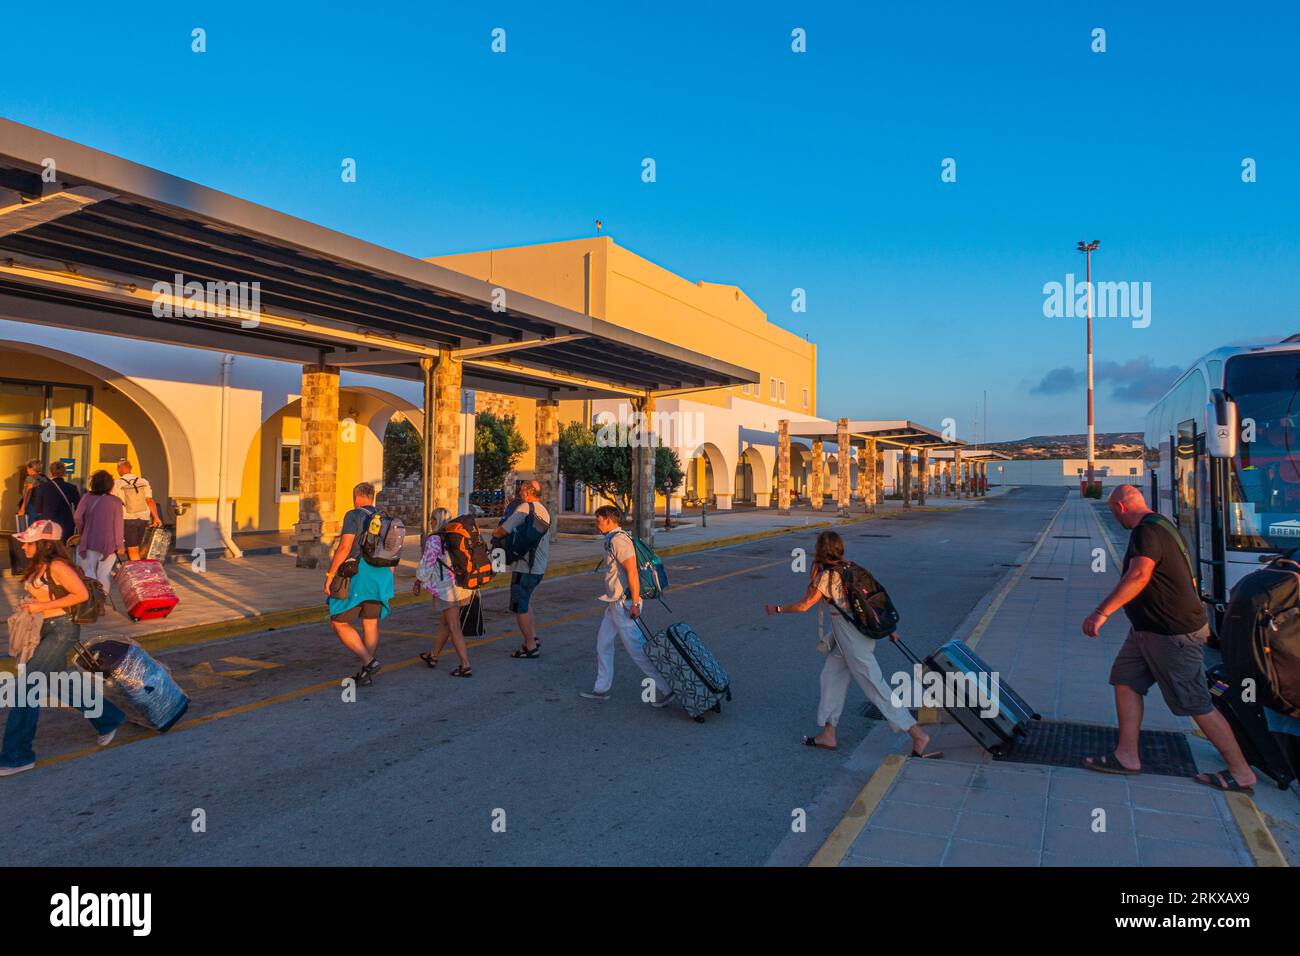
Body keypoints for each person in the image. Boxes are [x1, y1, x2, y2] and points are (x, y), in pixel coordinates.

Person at [1082, 484, 1257, 792]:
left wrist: (1101, 612)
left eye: (1113, 512)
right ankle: (1127, 755)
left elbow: (1139, 576)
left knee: (1195, 702)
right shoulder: (1161, 523)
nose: (1116, 518)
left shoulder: (1146, 532)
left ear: (1120, 508)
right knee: (1125, 680)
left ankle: (1241, 773)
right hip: (1147, 630)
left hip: (1172, 633)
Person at [765, 529, 940, 756]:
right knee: (831, 677)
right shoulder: (850, 567)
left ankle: (918, 735)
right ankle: (829, 734)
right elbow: (869, 601)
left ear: (821, 550)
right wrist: (888, 629)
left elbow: (804, 605)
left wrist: (777, 609)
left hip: (851, 636)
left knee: (875, 687)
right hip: (847, 635)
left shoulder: (827, 576)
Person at [0, 520, 127, 777]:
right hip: (46, 629)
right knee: (59, 683)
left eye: (28, 542)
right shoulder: (41, 565)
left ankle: (17, 756)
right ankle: (109, 718)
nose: (23, 546)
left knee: (27, 687)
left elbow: (80, 594)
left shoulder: (58, 566)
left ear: (45, 544)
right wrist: (33, 605)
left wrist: (39, 607)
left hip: (62, 630)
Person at [579, 505, 674, 705]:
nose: (597, 524)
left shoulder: (619, 541)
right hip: (615, 603)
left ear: (608, 519)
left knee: (637, 650)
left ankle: (667, 687)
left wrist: (635, 604)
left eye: (599, 520)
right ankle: (601, 688)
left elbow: (632, 572)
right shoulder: (614, 538)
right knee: (603, 643)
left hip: (625, 604)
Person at [324, 482, 395, 687]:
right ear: (372, 497)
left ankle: (369, 661)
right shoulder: (385, 517)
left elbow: (345, 546)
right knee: (370, 622)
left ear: (356, 496)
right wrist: (388, 579)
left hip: (359, 575)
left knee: (337, 621)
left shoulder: (353, 515)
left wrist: (330, 574)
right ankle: (366, 672)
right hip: (382, 575)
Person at [492, 478, 549, 659]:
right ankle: (532, 638)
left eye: (522, 490)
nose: (520, 493)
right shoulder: (543, 511)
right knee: (526, 602)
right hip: (537, 568)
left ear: (527, 493)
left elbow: (503, 531)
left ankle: (530, 647)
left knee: (520, 607)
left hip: (524, 568)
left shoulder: (524, 509)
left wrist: (494, 533)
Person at [412, 507, 474, 677]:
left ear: (435, 521)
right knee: (445, 623)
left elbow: (427, 564)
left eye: (432, 519)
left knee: (453, 626)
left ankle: (465, 664)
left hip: (447, 589)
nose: (430, 522)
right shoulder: (457, 535)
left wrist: (418, 581)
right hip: (463, 586)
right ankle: (434, 655)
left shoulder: (435, 539)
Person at [72, 469, 126, 593]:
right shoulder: (116, 502)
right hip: (109, 543)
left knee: (89, 571)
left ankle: (92, 598)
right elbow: (118, 525)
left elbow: (77, 517)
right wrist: (120, 545)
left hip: (89, 540)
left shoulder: (86, 498)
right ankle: (102, 599)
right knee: (104, 574)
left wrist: (82, 530)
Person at [112, 458, 162, 560]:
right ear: (130, 468)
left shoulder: (116, 484)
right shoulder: (143, 481)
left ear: (119, 468)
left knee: (132, 549)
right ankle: (135, 567)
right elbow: (150, 501)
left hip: (128, 519)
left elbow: (113, 502)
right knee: (136, 546)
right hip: (143, 518)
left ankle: (137, 572)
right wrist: (156, 517)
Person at [30, 460, 81, 543]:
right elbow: (79, 506)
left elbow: (37, 508)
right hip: (66, 524)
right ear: (64, 472)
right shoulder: (72, 487)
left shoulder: (43, 487)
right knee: (63, 548)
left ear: (51, 472)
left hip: (47, 524)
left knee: (48, 548)